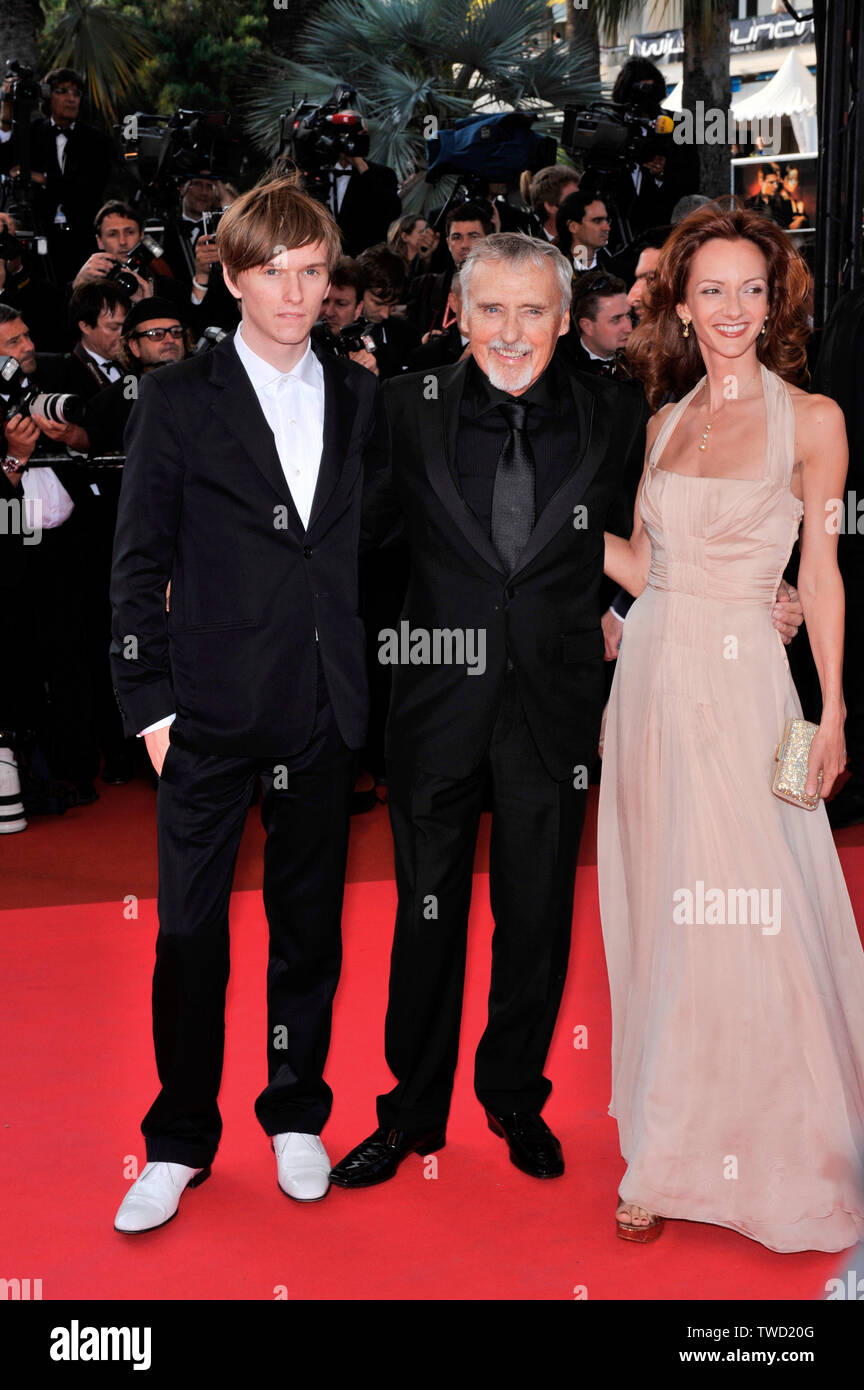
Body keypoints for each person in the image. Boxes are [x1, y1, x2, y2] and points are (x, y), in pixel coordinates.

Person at [330, 232, 801, 1189]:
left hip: (555, 707)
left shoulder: (617, 413)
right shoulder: (403, 409)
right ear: (459, 313)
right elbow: (350, 535)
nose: (511, 332)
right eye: (491, 310)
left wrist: (758, 591)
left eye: (533, 310)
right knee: (426, 916)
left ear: (563, 318)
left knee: (537, 916)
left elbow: (663, 534)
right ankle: (411, 1113)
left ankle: (514, 1095)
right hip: (434, 704)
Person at [110, 177, 377, 1232]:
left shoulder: (360, 395)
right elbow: (137, 565)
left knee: (308, 929)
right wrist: (151, 709)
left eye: (312, 272)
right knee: (189, 937)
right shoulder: (178, 398)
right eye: (273, 272)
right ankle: (178, 1138)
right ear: (230, 277)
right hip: (208, 717)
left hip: (323, 708)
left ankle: (295, 1112)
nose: (295, 293)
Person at [600, 204, 864, 1251]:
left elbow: (822, 575)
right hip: (651, 687)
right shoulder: (663, 422)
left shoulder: (814, 421)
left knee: (757, 913)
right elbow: (642, 567)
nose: (733, 309)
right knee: (667, 911)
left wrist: (833, 707)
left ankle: (783, 1144)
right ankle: (665, 1150)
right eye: (712, 289)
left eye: (752, 289)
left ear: (775, 301)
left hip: (750, 687)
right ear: (680, 302)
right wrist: (544, 533)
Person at [555, 191, 612, 274]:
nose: (607, 228)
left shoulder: (619, 271)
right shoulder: (555, 271)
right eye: (597, 221)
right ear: (573, 227)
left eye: (607, 221)